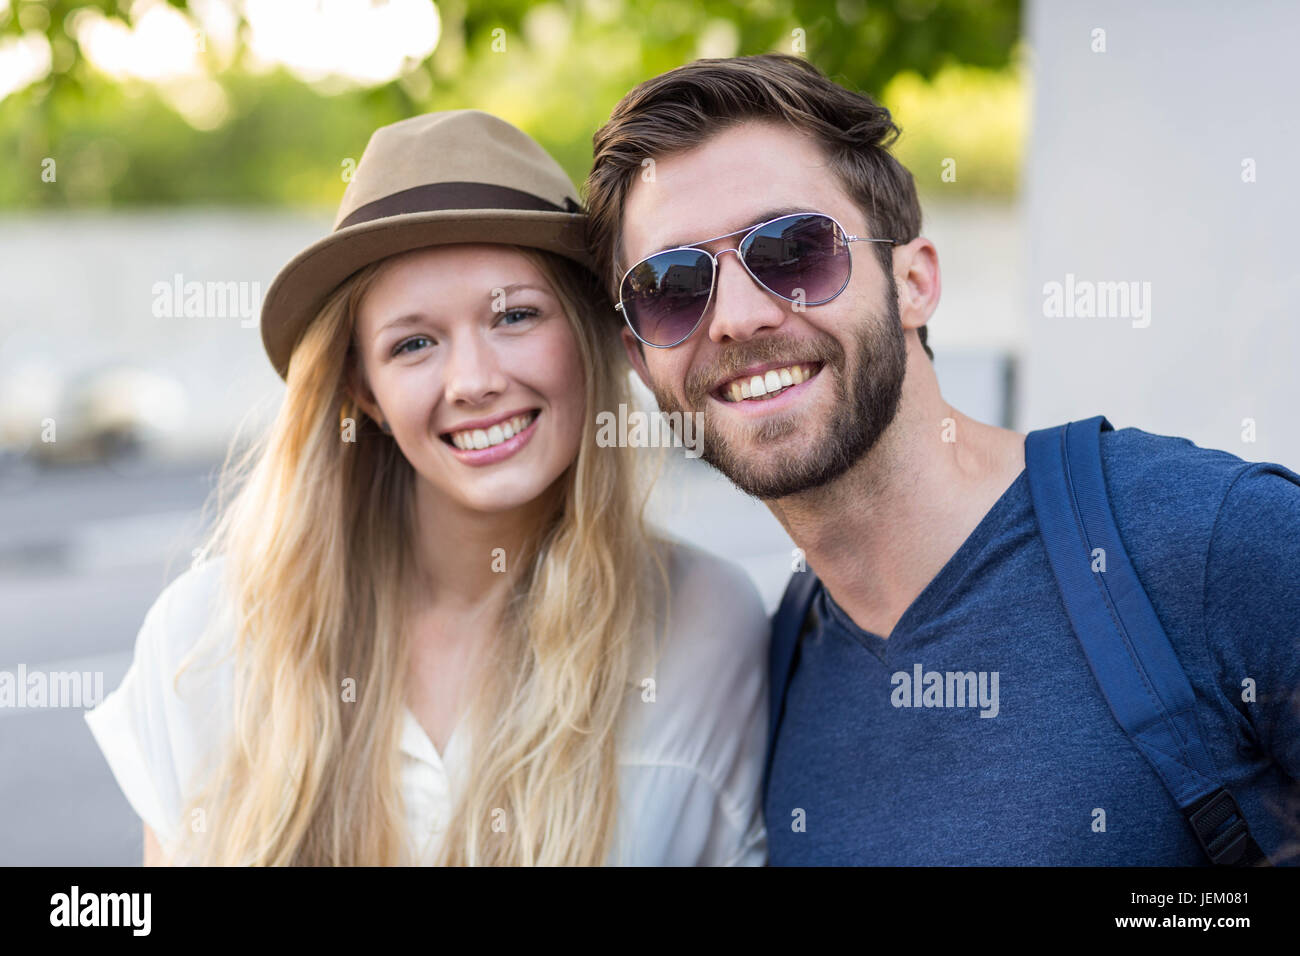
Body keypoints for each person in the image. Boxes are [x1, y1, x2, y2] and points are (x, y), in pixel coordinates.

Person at [583, 53, 1300, 865]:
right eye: (673, 287)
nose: (738, 317)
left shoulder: (1217, 544)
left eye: (791, 250)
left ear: (915, 280)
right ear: (641, 360)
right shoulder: (776, 665)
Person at [84, 109, 769, 866]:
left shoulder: (708, 628)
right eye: (413, 343)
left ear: (594, 335)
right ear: (363, 391)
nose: (473, 381)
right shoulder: (206, 638)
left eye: (514, 315)